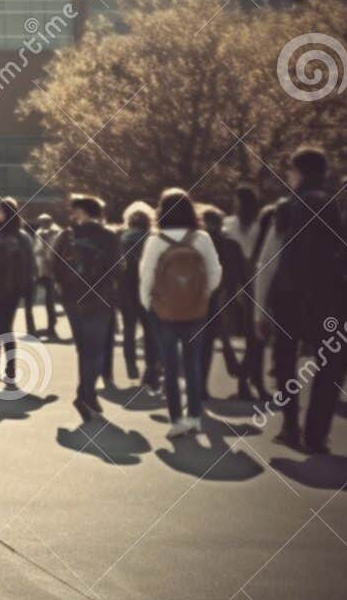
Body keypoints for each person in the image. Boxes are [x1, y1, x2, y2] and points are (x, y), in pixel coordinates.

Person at [254, 146, 347, 454]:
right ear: (324, 173)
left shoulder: (285, 208)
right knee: (331, 365)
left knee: (285, 361)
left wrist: (260, 310)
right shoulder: (337, 206)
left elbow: (268, 262)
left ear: (297, 172)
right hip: (330, 298)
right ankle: (316, 434)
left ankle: (289, 426)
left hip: (288, 297)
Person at [140, 187, 221, 439]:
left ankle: (176, 420)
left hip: (163, 311)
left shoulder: (156, 240)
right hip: (195, 310)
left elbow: (146, 276)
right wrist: (202, 295)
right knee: (193, 363)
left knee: (170, 366)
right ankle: (194, 417)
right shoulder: (201, 238)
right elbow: (215, 272)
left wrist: (148, 303)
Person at [53, 195, 122, 422]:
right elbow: (116, 269)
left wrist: (63, 289)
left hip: (72, 299)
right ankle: (85, 393)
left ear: (82, 212)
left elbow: (55, 266)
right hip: (99, 300)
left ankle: (86, 394)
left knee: (83, 348)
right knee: (97, 349)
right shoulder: (109, 236)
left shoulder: (66, 236)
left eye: (74, 211)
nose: (72, 215)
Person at [0, 198, 36, 391]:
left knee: (3, 328)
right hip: (4, 290)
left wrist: (27, 288)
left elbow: (29, 266)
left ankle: (7, 369)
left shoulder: (11, 237)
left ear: (6, 214)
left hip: (7, 290)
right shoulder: (16, 237)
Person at [200, 207, 250, 398]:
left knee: (202, 344)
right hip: (227, 298)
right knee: (216, 344)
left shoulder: (199, 243)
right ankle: (242, 384)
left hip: (203, 299)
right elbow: (242, 275)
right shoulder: (231, 245)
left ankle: (200, 386)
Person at [228, 185, 269, 404]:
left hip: (240, 285)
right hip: (255, 284)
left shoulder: (230, 225)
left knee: (253, 338)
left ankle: (248, 382)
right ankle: (252, 382)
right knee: (256, 339)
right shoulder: (260, 226)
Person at [118, 201, 159, 391]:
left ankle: (131, 364)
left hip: (126, 290)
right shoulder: (153, 239)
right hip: (148, 290)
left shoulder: (121, 239)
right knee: (150, 331)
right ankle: (150, 369)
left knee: (129, 329)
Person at [32, 214, 63, 340]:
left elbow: (52, 252)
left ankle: (52, 326)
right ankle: (49, 325)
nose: (42, 224)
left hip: (52, 271)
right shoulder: (40, 232)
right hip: (42, 270)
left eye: (44, 222)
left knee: (50, 300)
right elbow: (36, 250)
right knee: (47, 300)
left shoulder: (56, 233)